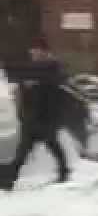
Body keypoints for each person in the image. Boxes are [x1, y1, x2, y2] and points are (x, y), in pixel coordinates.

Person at [1, 37, 70, 190]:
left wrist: (37, 83)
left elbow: (56, 82)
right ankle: (9, 179)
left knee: (50, 144)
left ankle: (64, 171)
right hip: (32, 116)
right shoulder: (31, 70)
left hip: (47, 115)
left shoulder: (53, 67)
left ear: (45, 52)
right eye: (32, 52)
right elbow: (21, 86)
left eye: (37, 51)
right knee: (24, 150)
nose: (34, 54)